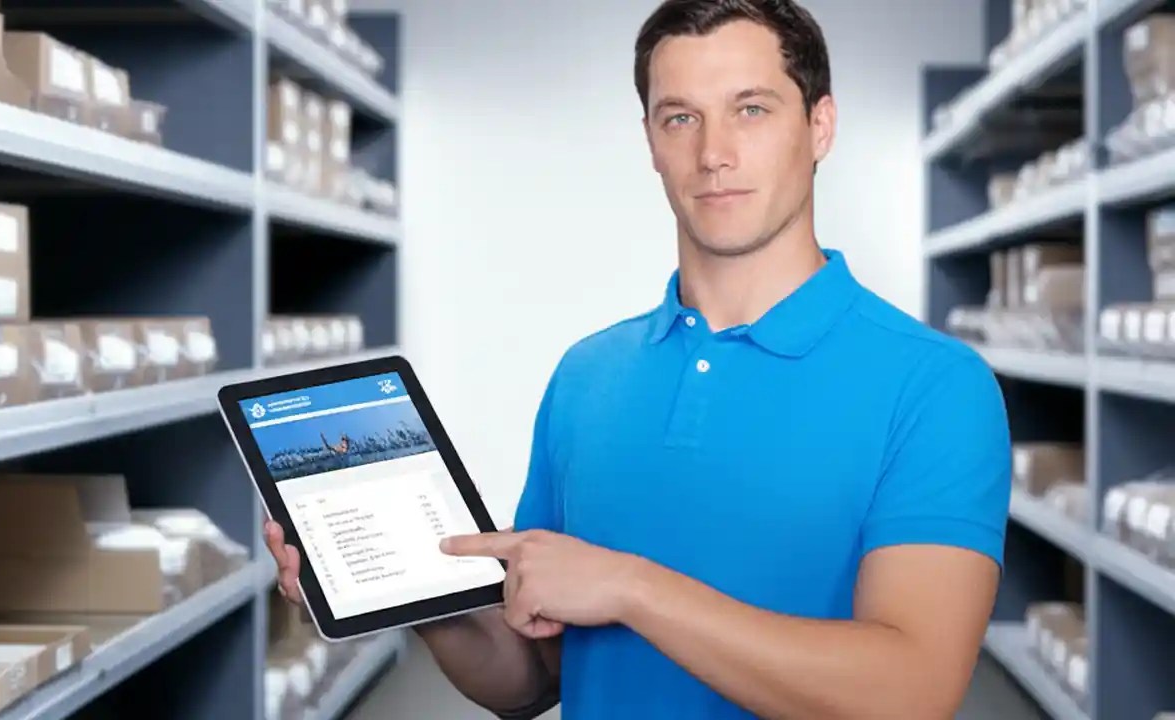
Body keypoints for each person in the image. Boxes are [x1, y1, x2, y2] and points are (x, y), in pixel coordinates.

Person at [263, 1, 1012, 718]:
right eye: (680, 117)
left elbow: (911, 690)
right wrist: (412, 596)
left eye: (751, 109)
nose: (713, 153)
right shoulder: (588, 377)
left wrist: (631, 587)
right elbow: (532, 680)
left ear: (820, 126)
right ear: (651, 141)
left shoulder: (936, 386)